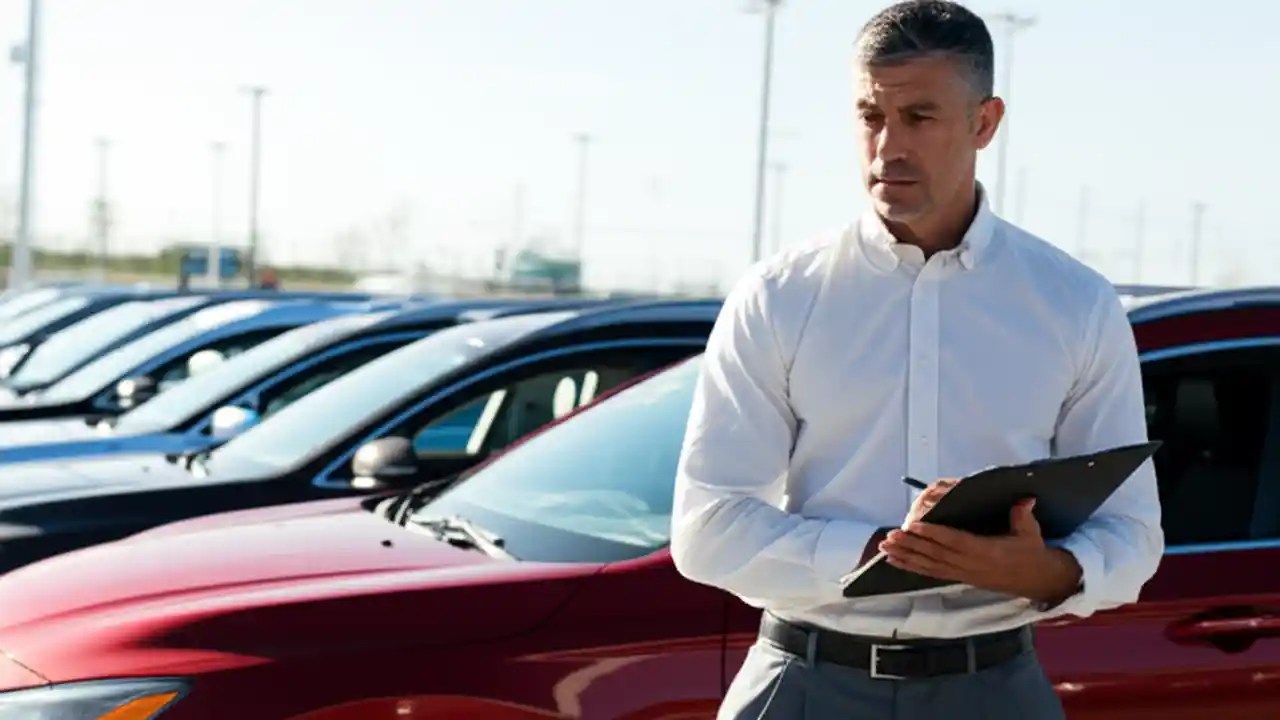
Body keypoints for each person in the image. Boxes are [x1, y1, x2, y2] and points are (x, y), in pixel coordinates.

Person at [670, 2, 1163, 718]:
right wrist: (887, 552)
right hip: (803, 684)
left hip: (997, 688)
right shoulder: (779, 297)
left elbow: (1132, 535)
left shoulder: (1075, 305)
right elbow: (706, 529)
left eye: (920, 118)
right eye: (871, 116)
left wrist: (1049, 571)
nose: (886, 148)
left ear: (984, 123)